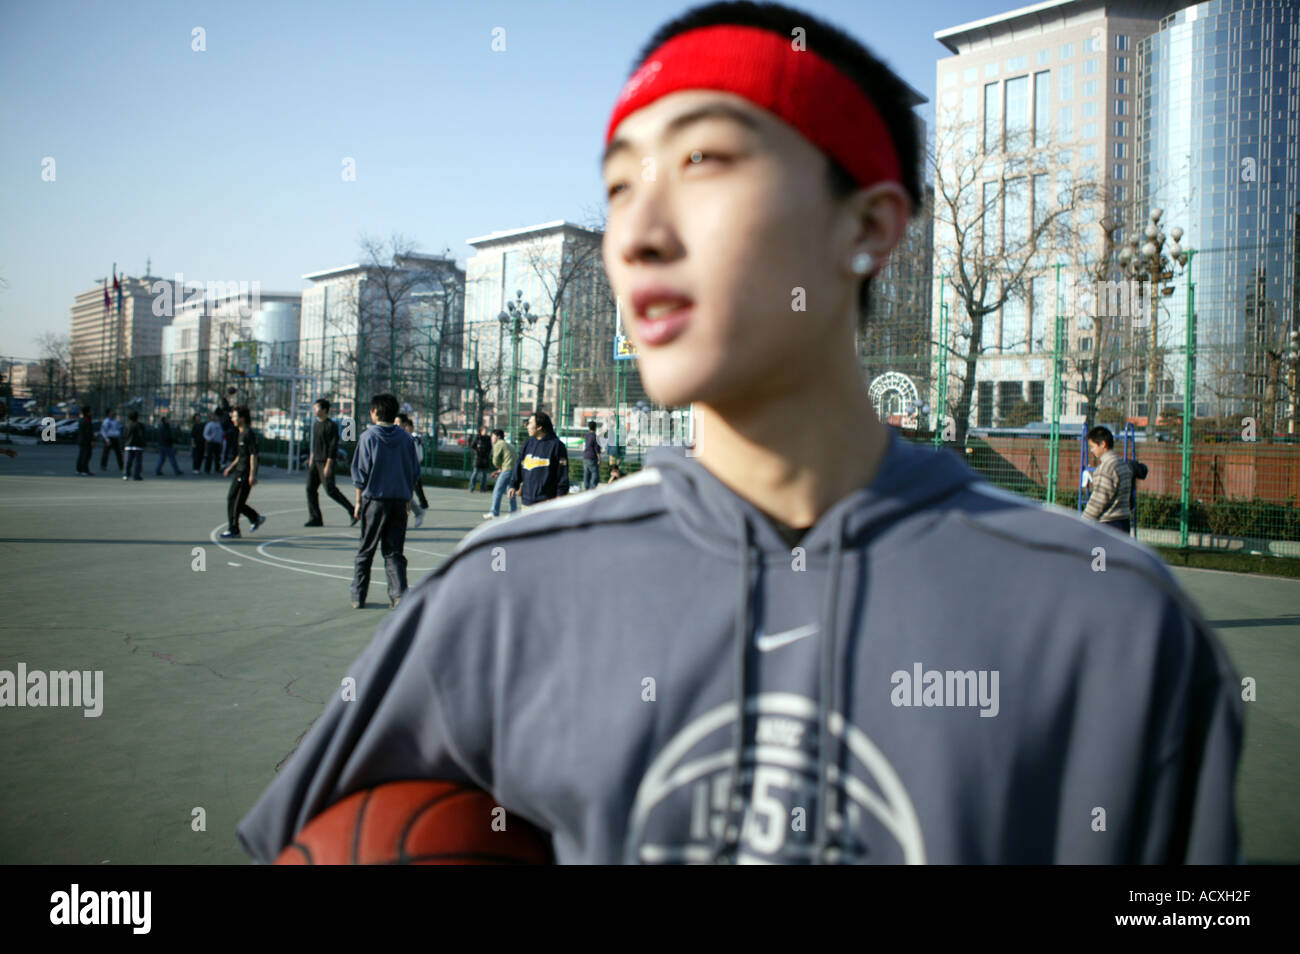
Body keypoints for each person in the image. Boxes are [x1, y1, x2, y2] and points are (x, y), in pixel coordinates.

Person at [238, 1, 1241, 865]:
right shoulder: (500, 596)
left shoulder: (1110, 627)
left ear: (869, 225)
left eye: (703, 160)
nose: (634, 232)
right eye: (621, 185)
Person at [348, 393, 420, 610]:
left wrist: (358, 502)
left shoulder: (368, 437)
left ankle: (358, 596)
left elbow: (360, 472)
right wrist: (407, 497)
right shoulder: (407, 439)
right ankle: (398, 595)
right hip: (399, 500)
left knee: (366, 548)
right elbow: (413, 472)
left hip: (375, 500)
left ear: (375, 412)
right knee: (394, 550)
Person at [305, 398, 357, 528]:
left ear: (323, 410)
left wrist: (329, 464)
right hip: (315, 462)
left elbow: (333, 447)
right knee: (310, 488)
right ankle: (315, 517)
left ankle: (353, 511)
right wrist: (311, 457)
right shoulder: (316, 424)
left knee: (330, 490)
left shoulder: (331, 426)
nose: (314, 410)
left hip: (326, 462)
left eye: (316, 408)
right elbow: (315, 444)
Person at [220, 406, 265, 539]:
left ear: (242, 418)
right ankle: (255, 518)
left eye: (234, 416)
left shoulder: (248, 433)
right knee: (232, 499)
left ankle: (234, 530)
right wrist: (230, 467)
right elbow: (240, 455)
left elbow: (253, 455)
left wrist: (253, 474)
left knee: (236, 502)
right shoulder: (240, 432)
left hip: (245, 473)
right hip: (239, 471)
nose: (232, 419)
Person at [509, 410, 569, 509]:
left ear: (539, 427)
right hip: (527, 501)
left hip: (547, 503)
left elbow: (562, 474)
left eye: (530, 423)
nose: (527, 426)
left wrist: (560, 495)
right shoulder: (527, 443)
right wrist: (513, 485)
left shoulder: (557, 446)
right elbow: (519, 465)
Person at [1082, 425, 1132, 535]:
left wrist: (1083, 522)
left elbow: (1099, 501)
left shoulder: (1106, 468)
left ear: (1103, 444)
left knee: (1099, 553)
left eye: (1093, 446)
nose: (1091, 451)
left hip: (1108, 524)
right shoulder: (1122, 464)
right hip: (1123, 521)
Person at [398, 414, 429, 528]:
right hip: (400, 471)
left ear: (405, 425)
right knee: (402, 495)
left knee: (405, 495)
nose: (396, 425)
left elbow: (418, 456)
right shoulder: (397, 437)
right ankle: (417, 512)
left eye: (398, 423)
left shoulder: (412, 439)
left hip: (409, 471)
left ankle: (416, 512)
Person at [484, 427, 518, 519]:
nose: (491, 438)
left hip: (507, 470)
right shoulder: (509, 445)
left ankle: (494, 512)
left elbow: (495, 461)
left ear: (498, 437)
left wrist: (499, 468)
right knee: (510, 492)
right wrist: (500, 470)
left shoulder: (499, 444)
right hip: (513, 470)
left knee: (497, 491)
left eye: (493, 436)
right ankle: (514, 514)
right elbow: (510, 460)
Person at [468, 425, 493, 493]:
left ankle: (482, 488)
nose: (486, 431)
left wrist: (487, 454)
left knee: (484, 474)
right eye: (485, 430)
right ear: (481, 431)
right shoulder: (477, 437)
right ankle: (471, 487)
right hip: (478, 458)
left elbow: (490, 447)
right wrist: (477, 452)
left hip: (485, 458)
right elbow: (472, 446)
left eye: (486, 430)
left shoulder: (488, 438)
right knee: (475, 473)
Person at [122, 410, 146, 481]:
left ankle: (126, 475)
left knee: (127, 462)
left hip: (128, 445)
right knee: (137, 462)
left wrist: (124, 444)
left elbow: (124, 435)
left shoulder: (127, 425)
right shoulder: (139, 425)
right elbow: (142, 435)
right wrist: (143, 443)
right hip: (137, 446)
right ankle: (136, 475)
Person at [582, 420, 602, 490]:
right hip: (592, 457)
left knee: (586, 473)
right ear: (595, 428)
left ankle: (586, 488)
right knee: (594, 473)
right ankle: (592, 488)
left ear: (589, 427)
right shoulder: (596, 437)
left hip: (585, 456)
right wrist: (599, 459)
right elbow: (597, 449)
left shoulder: (586, 436)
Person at [75, 405, 95, 475]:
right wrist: (91, 440)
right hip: (86, 441)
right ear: (87, 412)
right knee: (86, 455)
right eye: (90, 411)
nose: (91, 412)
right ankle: (84, 470)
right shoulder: (87, 420)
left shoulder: (82, 419)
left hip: (82, 440)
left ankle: (79, 469)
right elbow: (88, 432)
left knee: (81, 455)